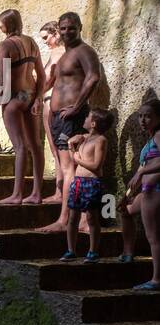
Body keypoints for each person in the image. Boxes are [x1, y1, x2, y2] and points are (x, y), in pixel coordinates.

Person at [38, 13, 103, 234]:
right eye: (63, 29)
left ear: (80, 27)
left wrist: (76, 106)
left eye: (71, 29)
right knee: (70, 169)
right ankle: (81, 220)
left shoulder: (84, 51)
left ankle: (65, 219)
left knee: (69, 170)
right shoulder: (67, 53)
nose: (67, 32)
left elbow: (94, 77)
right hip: (59, 118)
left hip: (71, 117)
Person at [0, 10, 47, 204]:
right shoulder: (31, 42)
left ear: (8, 24)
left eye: (0, 23)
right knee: (36, 145)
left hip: (15, 99)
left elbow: (2, 81)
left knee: (20, 147)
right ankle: (37, 193)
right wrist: (39, 98)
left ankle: (17, 194)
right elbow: (41, 75)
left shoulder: (6, 45)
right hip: (30, 95)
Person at [62, 108, 111, 261]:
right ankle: (71, 250)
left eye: (88, 117)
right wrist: (71, 146)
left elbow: (96, 165)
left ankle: (93, 251)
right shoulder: (84, 138)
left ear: (94, 123)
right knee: (72, 217)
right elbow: (74, 156)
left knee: (91, 217)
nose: (85, 118)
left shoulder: (100, 140)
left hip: (91, 182)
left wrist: (77, 159)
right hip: (78, 182)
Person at [121, 97, 160, 289]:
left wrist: (142, 172)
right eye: (140, 116)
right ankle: (128, 252)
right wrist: (129, 192)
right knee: (124, 210)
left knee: (153, 237)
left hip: (155, 191)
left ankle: (156, 280)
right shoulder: (151, 138)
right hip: (146, 191)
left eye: (148, 116)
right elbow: (144, 167)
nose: (143, 120)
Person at [39, 22, 65, 202]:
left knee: (56, 150)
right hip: (63, 103)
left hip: (51, 101)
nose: (45, 42)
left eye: (46, 38)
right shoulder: (71, 52)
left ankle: (60, 191)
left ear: (56, 33)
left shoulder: (58, 53)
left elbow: (47, 79)